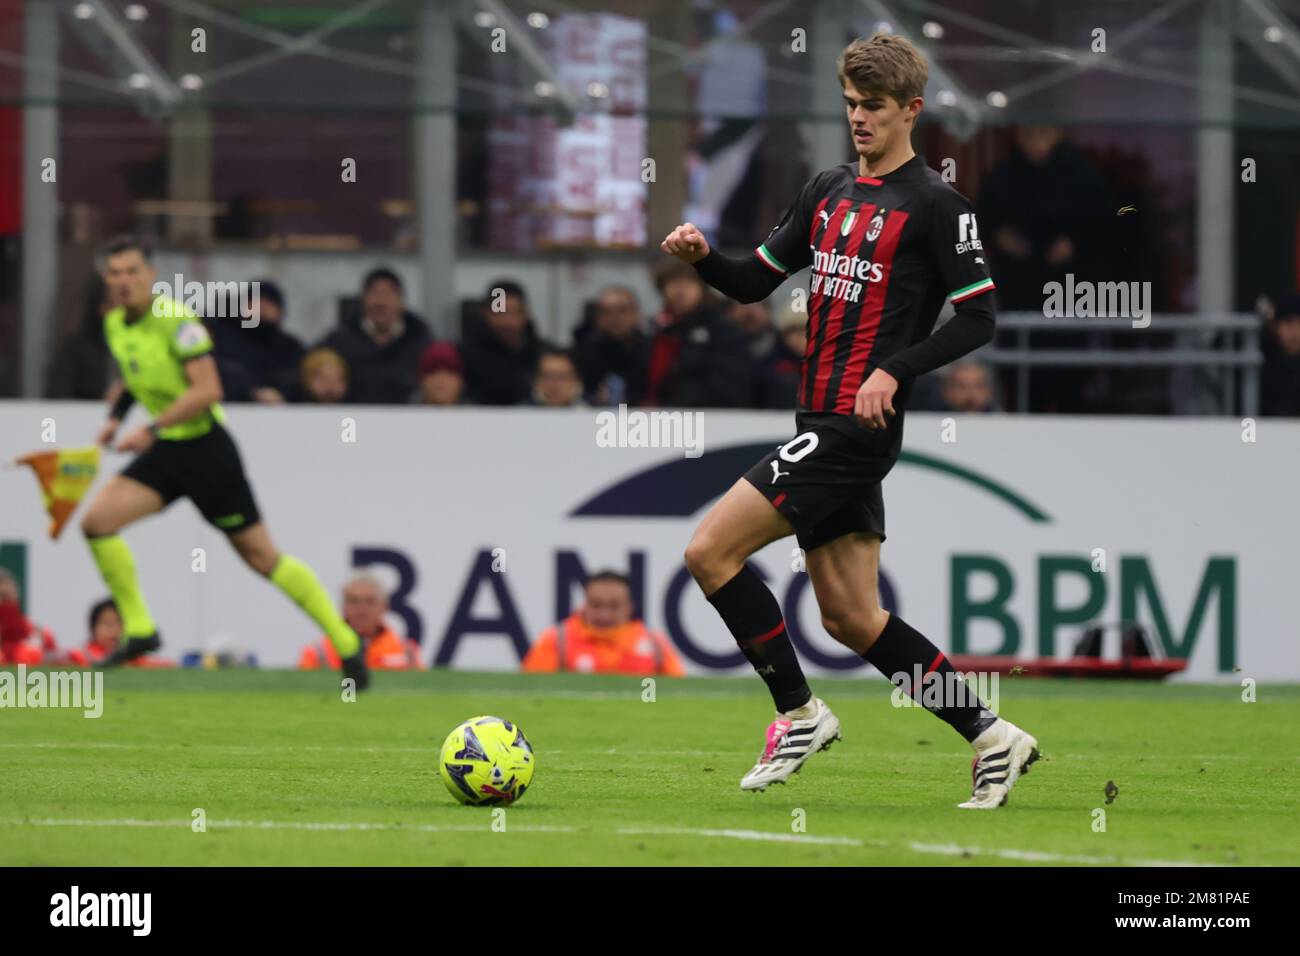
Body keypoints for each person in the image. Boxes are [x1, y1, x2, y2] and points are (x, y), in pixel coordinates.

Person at [660, 33, 1039, 809]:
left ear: (911, 110)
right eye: (850, 103)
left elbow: (980, 320)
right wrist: (703, 256)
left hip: (852, 431)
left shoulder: (937, 205)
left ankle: (799, 713)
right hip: (821, 418)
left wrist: (894, 369)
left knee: (708, 551)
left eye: (872, 106)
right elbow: (750, 285)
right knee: (851, 617)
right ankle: (994, 738)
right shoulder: (826, 189)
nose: (858, 117)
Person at [80, 236, 369, 689]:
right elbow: (137, 379)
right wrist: (114, 420)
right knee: (96, 522)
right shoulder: (115, 323)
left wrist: (149, 430)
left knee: (262, 558)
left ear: (150, 275)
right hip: (165, 453)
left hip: (206, 451)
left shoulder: (177, 321)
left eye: (132, 272)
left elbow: (207, 391)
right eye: (114, 273)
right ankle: (140, 629)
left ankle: (345, 642)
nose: (123, 281)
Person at [523, 571, 684, 676]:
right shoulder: (557, 640)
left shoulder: (654, 644)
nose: (604, 615)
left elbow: (679, 694)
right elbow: (531, 690)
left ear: (629, 607)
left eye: (614, 606)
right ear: (585, 604)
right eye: (596, 605)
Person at [643, 258, 752, 408]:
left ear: (702, 289)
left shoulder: (723, 330)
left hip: (708, 420)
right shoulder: (656, 330)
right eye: (672, 283)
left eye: (689, 283)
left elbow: (728, 387)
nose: (680, 291)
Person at [318, 267, 433, 404]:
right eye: (374, 294)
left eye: (388, 294)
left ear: (401, 301)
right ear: (363, 300)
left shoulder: (420, 339)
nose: (380, 302)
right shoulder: (339, 341)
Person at [298, 573, 424, 671]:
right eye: (354, 601)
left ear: (384, 606)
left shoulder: (407, 653)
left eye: (370, 601)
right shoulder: (319, 652)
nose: (362, 609)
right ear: (343, 606)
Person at [207, 280, 304, 404]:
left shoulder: (290, 347)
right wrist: (251, 392)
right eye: (256, 301)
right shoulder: (221, 339)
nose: (262, 307)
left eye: (269, 303)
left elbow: (299, 377)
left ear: (280, 311)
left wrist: (283, 393)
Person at [461, 279, 542, 405]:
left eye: (514, 313)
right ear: (486, 313)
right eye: (500, 313)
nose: (508, 321)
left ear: (526, 314)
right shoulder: (466, 356)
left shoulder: (541, 354)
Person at [574, 285, 650, 406]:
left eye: (622, 310)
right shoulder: (584, 352)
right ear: (597, 317)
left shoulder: (654, 351)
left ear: (636, 313)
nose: (615, 318)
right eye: (607, 312)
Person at [1261, 293, 1300, 416]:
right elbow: (1221, 343)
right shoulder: (1264, 357)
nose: (1294, 332)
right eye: (1288, 323)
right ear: (1276, 326)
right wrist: (1265, 316)